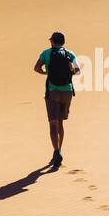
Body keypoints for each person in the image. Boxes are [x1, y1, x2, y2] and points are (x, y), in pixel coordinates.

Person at [34, 31, 80, 166]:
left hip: (52, 91)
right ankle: (60, 148)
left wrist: (45, 73)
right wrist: (68, 73)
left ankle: (56, 151)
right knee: (60, 122)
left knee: (53, 123)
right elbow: (77, 70)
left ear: (52, 42)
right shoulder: (69, 54)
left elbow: (36, 67)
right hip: (67, 91)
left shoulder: (46, 53)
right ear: (63, 42)